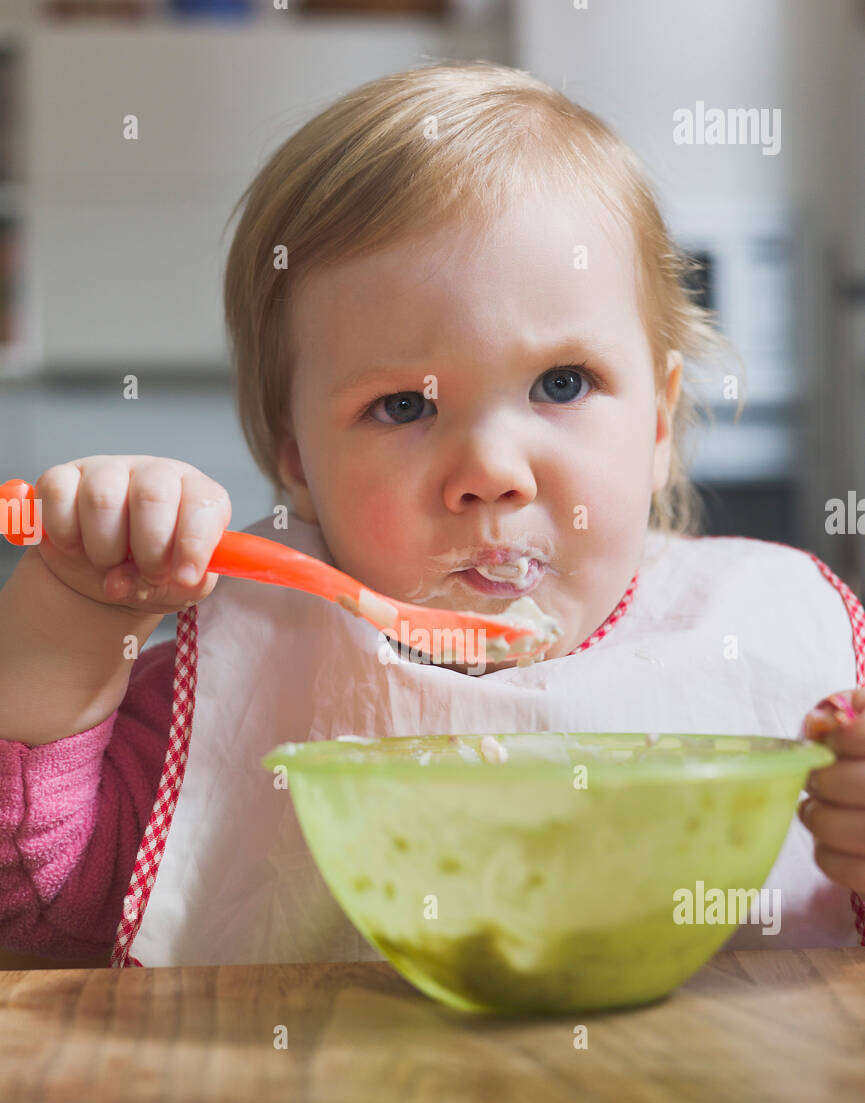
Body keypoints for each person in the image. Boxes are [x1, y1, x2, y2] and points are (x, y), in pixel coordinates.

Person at [1, 60, 863, 971]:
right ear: (296, 457)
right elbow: (34, 917)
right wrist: (76, 618)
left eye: (561, 384)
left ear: (656, 423)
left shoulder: (773, 643)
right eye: (403, 408)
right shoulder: (247, 670)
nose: (490, 473)